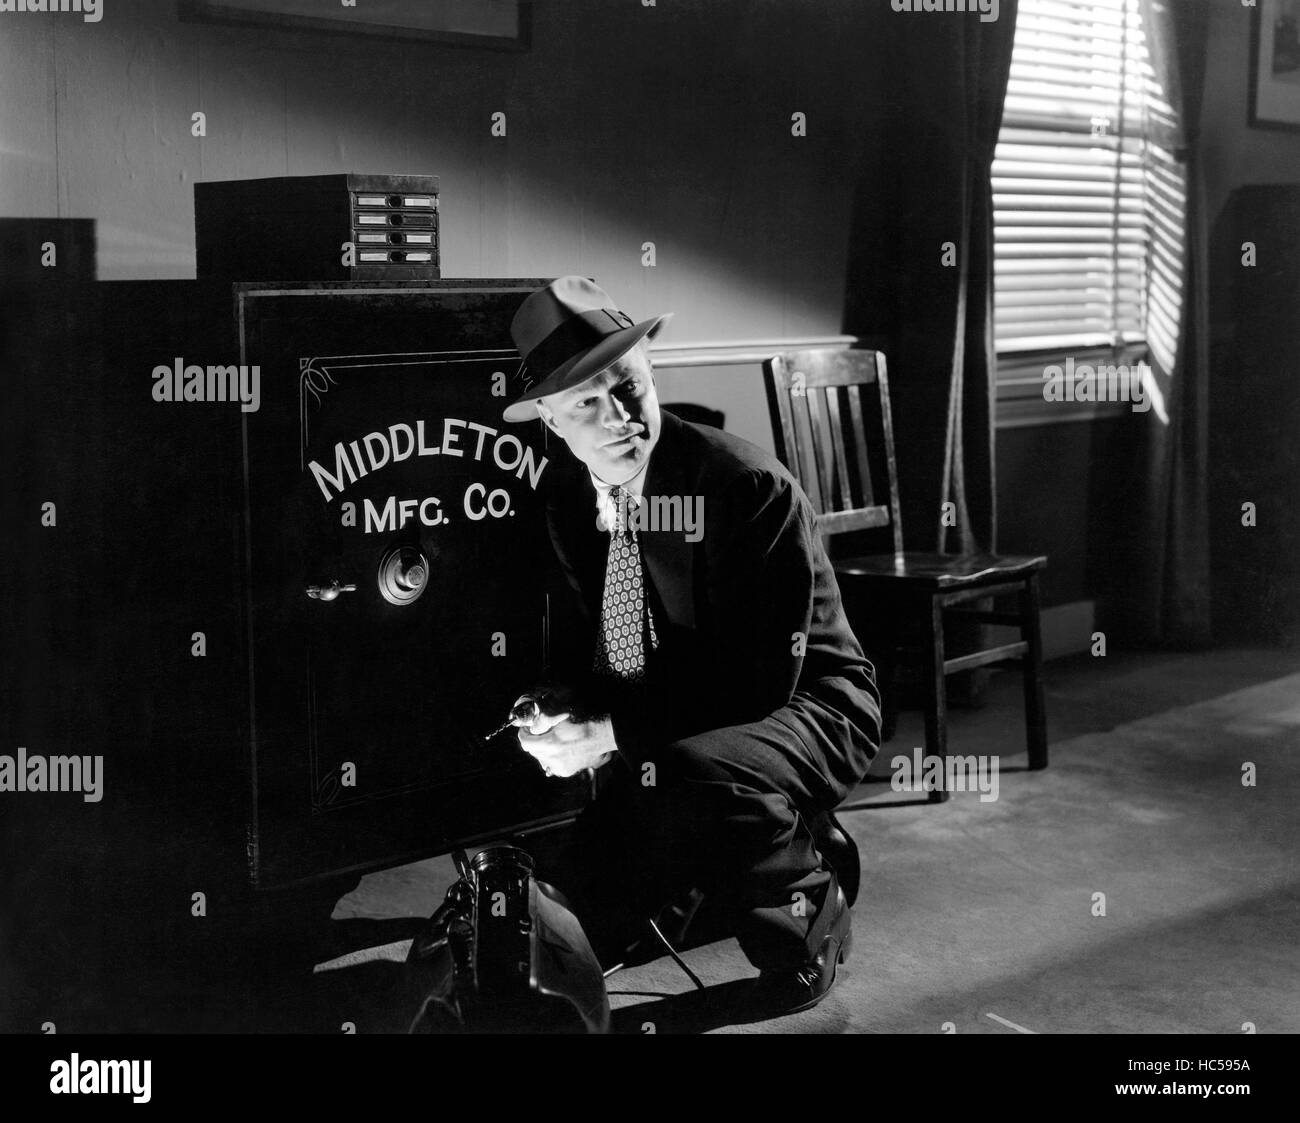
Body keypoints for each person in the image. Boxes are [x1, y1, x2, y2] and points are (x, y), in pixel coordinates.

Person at [501, 276, 881, 1014]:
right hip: (690, 703)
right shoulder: (571, 501)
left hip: (813, 705)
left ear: (652, 373)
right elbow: (607, 648)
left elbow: (759, 680)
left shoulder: (741, 487)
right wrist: (563, 701)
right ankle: (720, 864)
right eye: (585, 403)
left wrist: (609, 732)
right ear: (550, 420)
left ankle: (809, 914)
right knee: (580, 897)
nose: (618, 417)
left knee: (686, 770)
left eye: (628, 386)